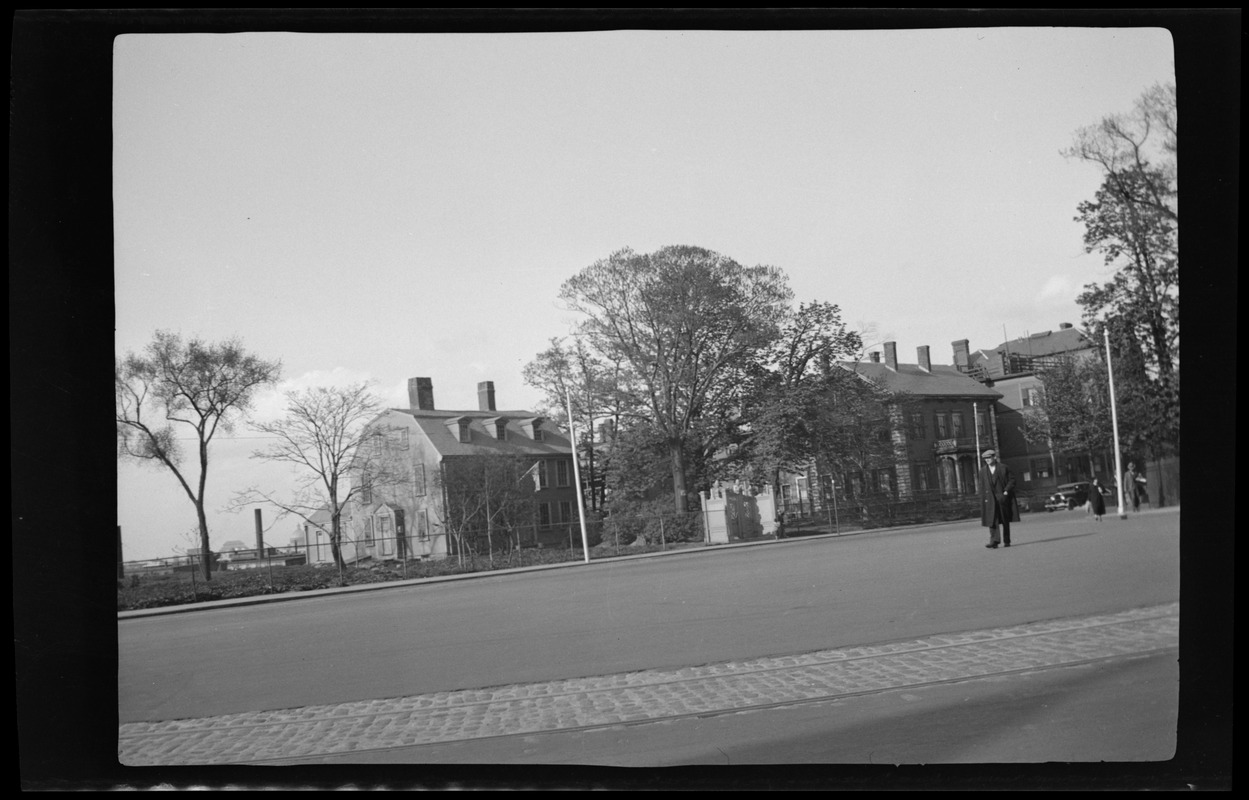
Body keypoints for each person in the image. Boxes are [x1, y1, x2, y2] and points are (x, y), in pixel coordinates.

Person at [979, 449, 1020, 549]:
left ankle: (1007, 541)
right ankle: (994, 541)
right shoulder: (983, 471)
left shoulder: (1004, 468)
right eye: (985, 459)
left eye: (989, 458)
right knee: (992, 520)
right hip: (990, 499)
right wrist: (984, 498)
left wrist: (1006, 491)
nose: (987, 460)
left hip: (1002, 498)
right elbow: (982, 486)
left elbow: (1012, 480)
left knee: (1005, 520)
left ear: (994, 457)